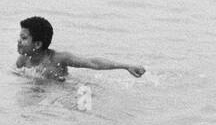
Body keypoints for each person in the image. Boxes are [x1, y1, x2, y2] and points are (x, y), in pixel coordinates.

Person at [15, 16, 146, 80]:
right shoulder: (22, 61)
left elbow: (92, 63)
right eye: (20, 37)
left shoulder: (58, 58)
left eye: (24, 38)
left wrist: (126, 66)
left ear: (38, 44)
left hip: (66, 91)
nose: (19, 41)